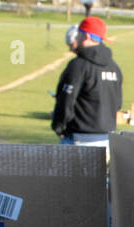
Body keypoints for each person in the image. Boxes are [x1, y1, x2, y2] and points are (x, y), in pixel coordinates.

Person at [51, 16, 123, 147]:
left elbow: (66, 100)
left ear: (87, 36)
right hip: (107, 139)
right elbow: (117, 104)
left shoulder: (78, 66)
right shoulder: (114, 67)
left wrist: (59, 126)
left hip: (78, 139)